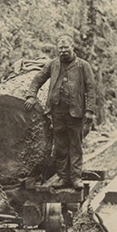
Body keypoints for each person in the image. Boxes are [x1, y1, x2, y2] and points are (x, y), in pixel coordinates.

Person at [24, 34, 95, 190]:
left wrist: (90, 110)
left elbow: (91, 88)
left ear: (72, 47)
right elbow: (38, 79)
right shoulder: (52, 64)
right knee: (60, 146)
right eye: (60, 48)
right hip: (57, 112)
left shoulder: (83, 66)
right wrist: (31, 95)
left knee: (75, 145)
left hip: (76, 112)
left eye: (66, 47)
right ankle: (63, 177)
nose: (63, 51)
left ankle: (76, 178)